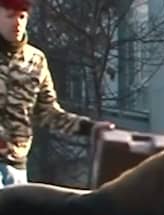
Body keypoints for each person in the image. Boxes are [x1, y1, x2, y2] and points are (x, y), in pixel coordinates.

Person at [0, 0, 114, 186]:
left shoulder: (35, 60)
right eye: (10, 16)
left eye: (22, 16)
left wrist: (90, 128)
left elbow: (48, 113)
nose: (17, 23)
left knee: (16, 214)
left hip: (17, 167)